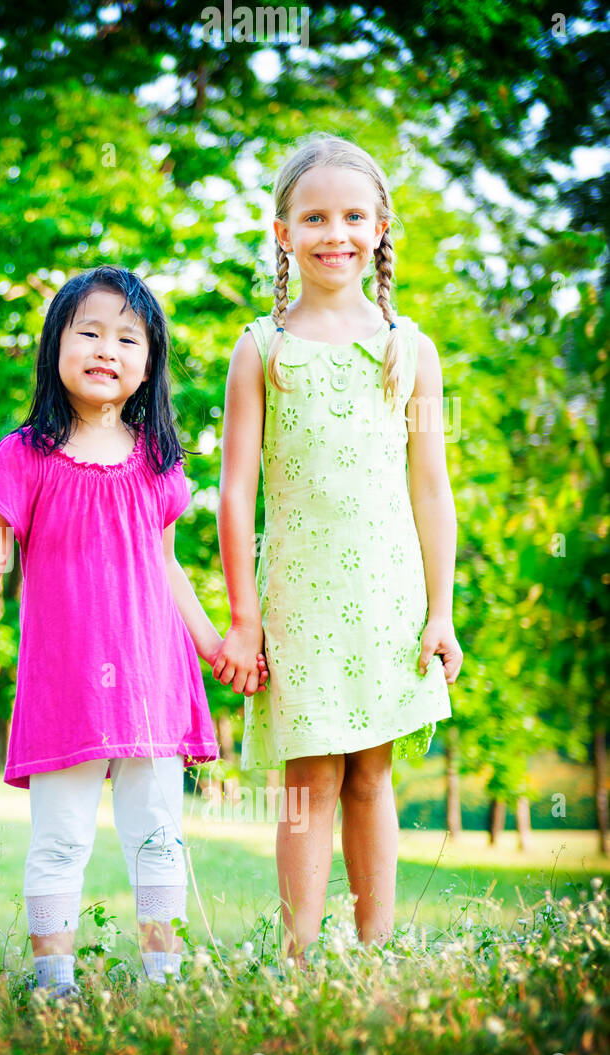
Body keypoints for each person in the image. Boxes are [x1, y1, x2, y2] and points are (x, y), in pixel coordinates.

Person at [0, 266, 265, 997]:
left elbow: (167, 567)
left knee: (158, 834)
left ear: (150, 363)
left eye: (127, 336)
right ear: (57, 345)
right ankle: (54, 984)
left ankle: (163, 979)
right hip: (65, 685)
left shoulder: (158, 462)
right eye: (87, 331)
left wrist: (215, 645)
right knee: (60, 838)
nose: (106, 348)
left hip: (153, 679)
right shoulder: (25, 456)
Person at [214, 135, 463, 961]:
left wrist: (443, 613)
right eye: (314, 217)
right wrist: (243, 622)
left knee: (370, 777)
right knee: (309, 779)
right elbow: (235, 493)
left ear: (381, 226)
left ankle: (375, 951)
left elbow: (431, 488)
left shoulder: (410, 349)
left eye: (354, 216)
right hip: (300, 601)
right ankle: (298, 959)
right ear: (282, 231)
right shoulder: (262, 349)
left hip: (388, 603)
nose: (336, 234)